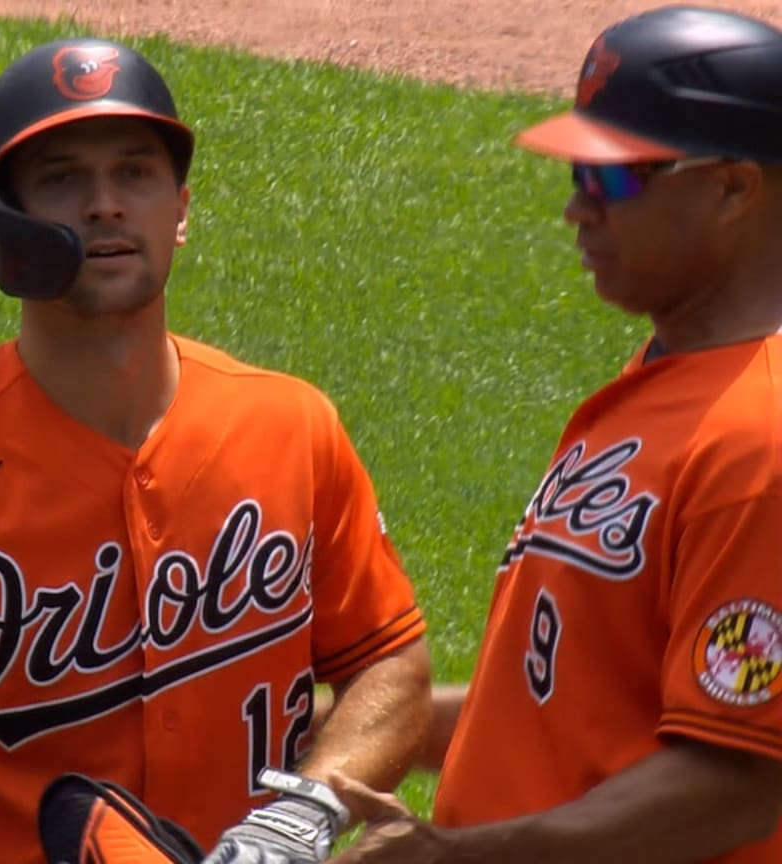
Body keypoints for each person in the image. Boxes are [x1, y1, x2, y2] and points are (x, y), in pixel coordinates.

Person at [0, 37, 432, 864]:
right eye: (63, 180)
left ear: (182, 209)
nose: (106, 205)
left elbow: (388, 658)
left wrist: (304, 813)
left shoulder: (291, 425)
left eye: (135, 173)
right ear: (4, 220)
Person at [325, 6, 782, 863]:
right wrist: (332, 727)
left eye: (611, 179)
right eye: (578, 172)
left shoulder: (760, 439)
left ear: (733, 187)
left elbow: (736, 789)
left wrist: (457, 857)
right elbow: (566, 709)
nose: (577, 208)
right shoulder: (665, 378)